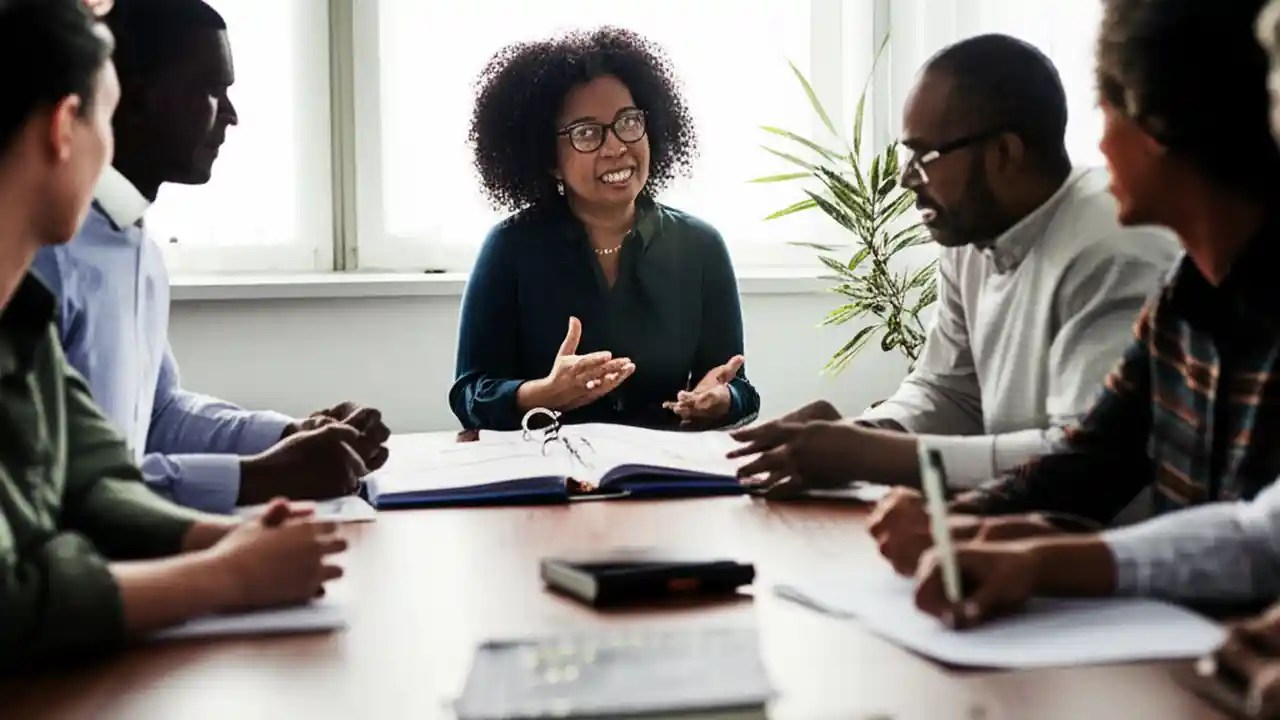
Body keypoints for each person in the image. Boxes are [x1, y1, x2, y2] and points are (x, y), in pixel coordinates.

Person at [903, 0, 1280, 632]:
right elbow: (1090, 460)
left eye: (1106, 113)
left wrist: (1044, 553)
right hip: (1178, 655)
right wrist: (967, 520)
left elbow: (1258, 545)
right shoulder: (1181, 300)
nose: (1098, 143)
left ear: (1161, 126)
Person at [0, 0, 345, 670]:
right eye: (106, 113)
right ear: (64, 129)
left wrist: (242, 539)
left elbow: (97, 479)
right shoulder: (47, 276)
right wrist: (226, 574)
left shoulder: (24, 321)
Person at [730, 34, 1178, 498]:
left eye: (924, 155)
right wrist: (867, 431)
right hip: (1009, 530)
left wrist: (870, 454)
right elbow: (949, 391)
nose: (905, 177)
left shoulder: (1114, 246)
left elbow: (1086, 457)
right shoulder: (973, 229)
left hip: (1104, 554)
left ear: (1004, 153)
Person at [30, 0, 391, 515]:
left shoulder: (140, 250)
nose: (231, 115)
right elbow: (58, 486)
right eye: (210, 89)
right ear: (133, 96)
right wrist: (261, 476)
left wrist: (292, 435)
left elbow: (159, 416)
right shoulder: (44, 255)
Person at [450, 27, 760, 432]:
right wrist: (543, 393)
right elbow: (469, 393)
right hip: (546, 472)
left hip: (665, 475)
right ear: (549, 159)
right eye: (586, 133)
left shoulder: (700, 246)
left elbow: (736, 386)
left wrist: (721, 400)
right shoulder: (510, 247)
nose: (615, 147)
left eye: (628, 123)